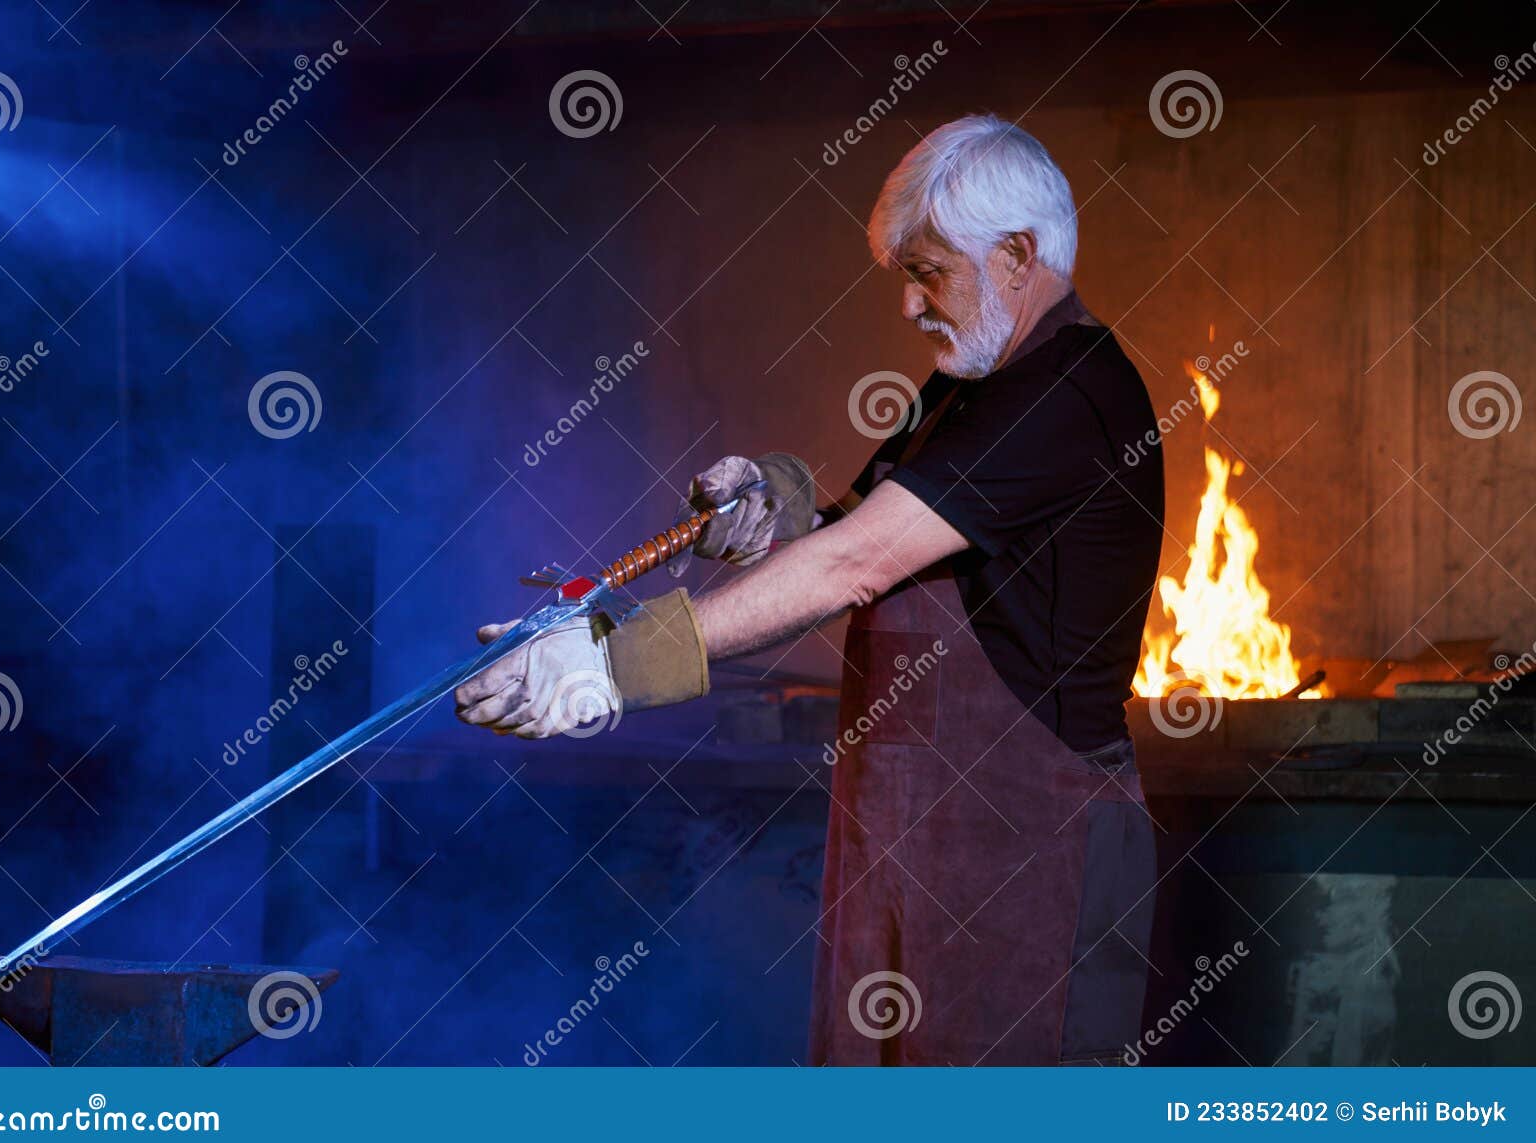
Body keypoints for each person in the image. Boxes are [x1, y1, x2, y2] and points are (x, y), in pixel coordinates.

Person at [455, 114, 1164, 1066]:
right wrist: (775, 506)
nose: (911, 307)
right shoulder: (975, 386)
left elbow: (859, 562)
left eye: (929, 273)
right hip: (914, 851)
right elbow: (848, 530)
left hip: (1033, 864)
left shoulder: (1069, 392)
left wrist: (618, 663)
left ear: (1019, 255)